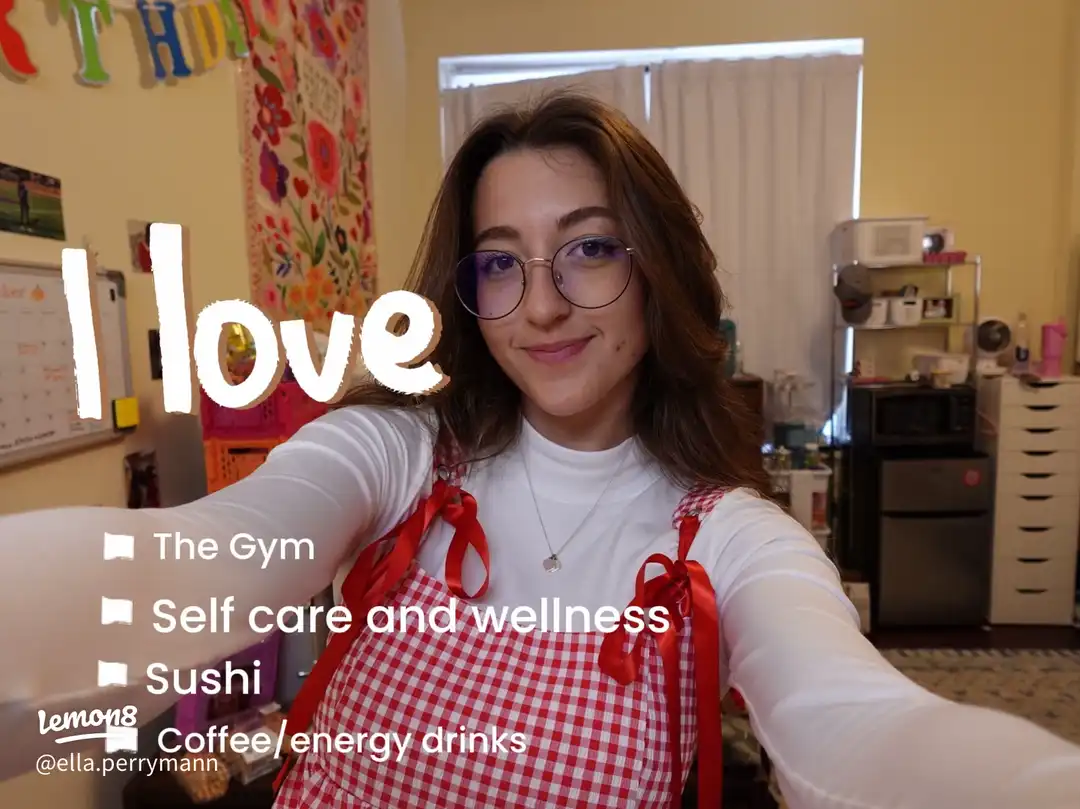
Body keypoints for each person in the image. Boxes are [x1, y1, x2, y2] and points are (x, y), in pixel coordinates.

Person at [1, 93, 1078, 809]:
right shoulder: (394, 456)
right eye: (503, 263)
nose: (546, 305)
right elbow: (192, 562)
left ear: (659, 267)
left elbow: (854, 723)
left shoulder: (734, 538)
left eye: (590, 249)